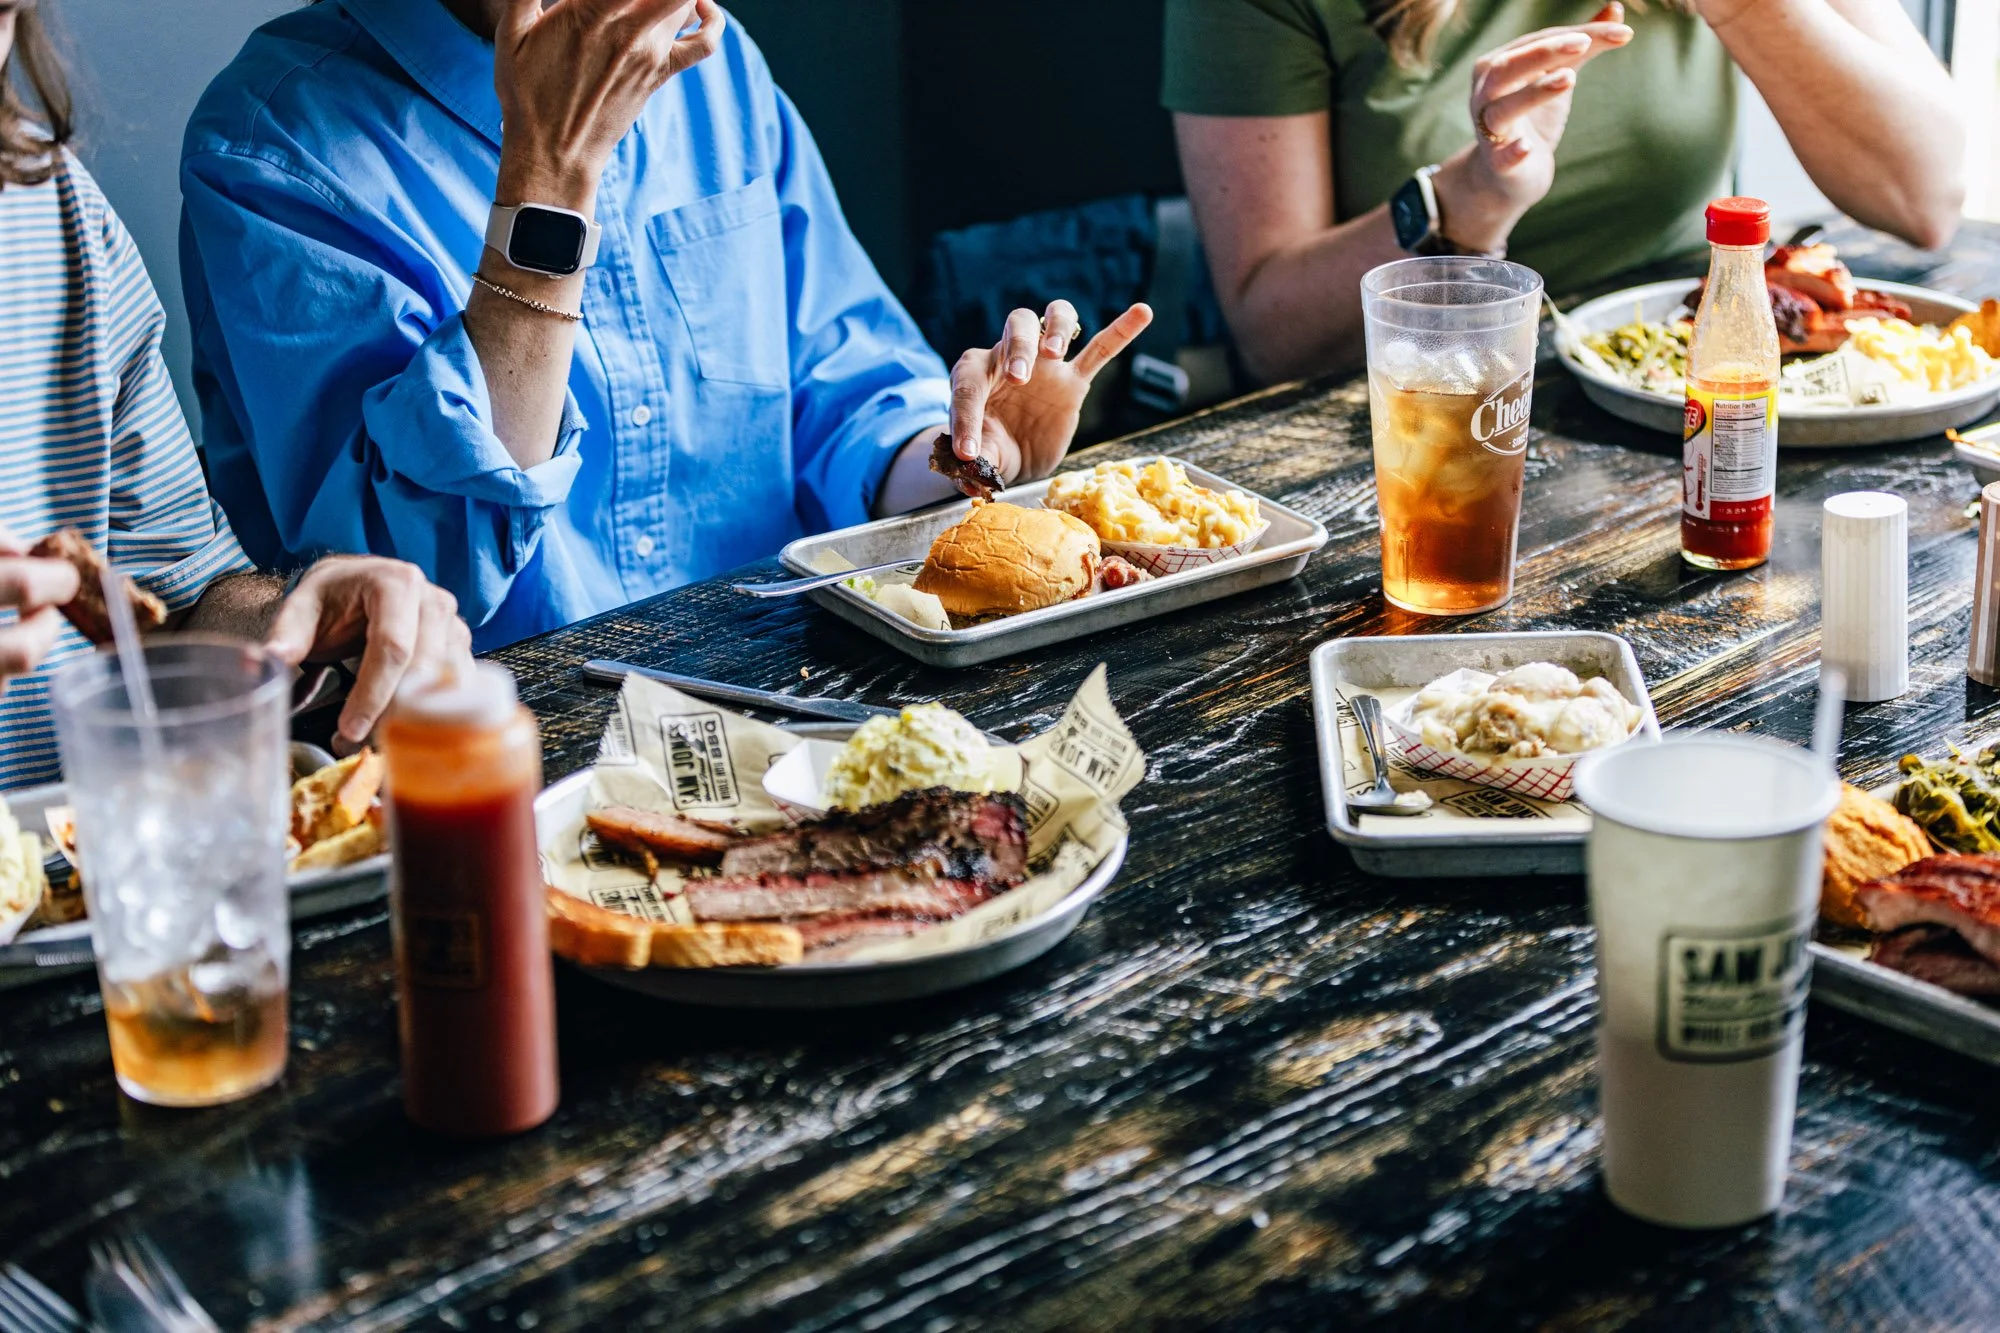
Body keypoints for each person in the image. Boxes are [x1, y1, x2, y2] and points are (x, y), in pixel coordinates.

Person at [179, 0, 1152, 651]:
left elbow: (836, 380)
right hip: (494, 758)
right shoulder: (275, 144)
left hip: (793, 691)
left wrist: (958, 451)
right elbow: (395, 586)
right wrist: (548, 178)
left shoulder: (714, 68)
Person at [0, 0, 473, 789]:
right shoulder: (274, 133)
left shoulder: (55, 208)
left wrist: (298, 615)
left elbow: (172, 616)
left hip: (89, 883)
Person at [1164, 0, 1967, 381]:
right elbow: (1273, 335)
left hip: (1692, 384)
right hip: (1417, 409)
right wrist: (1473, 197)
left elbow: (1924, 197)